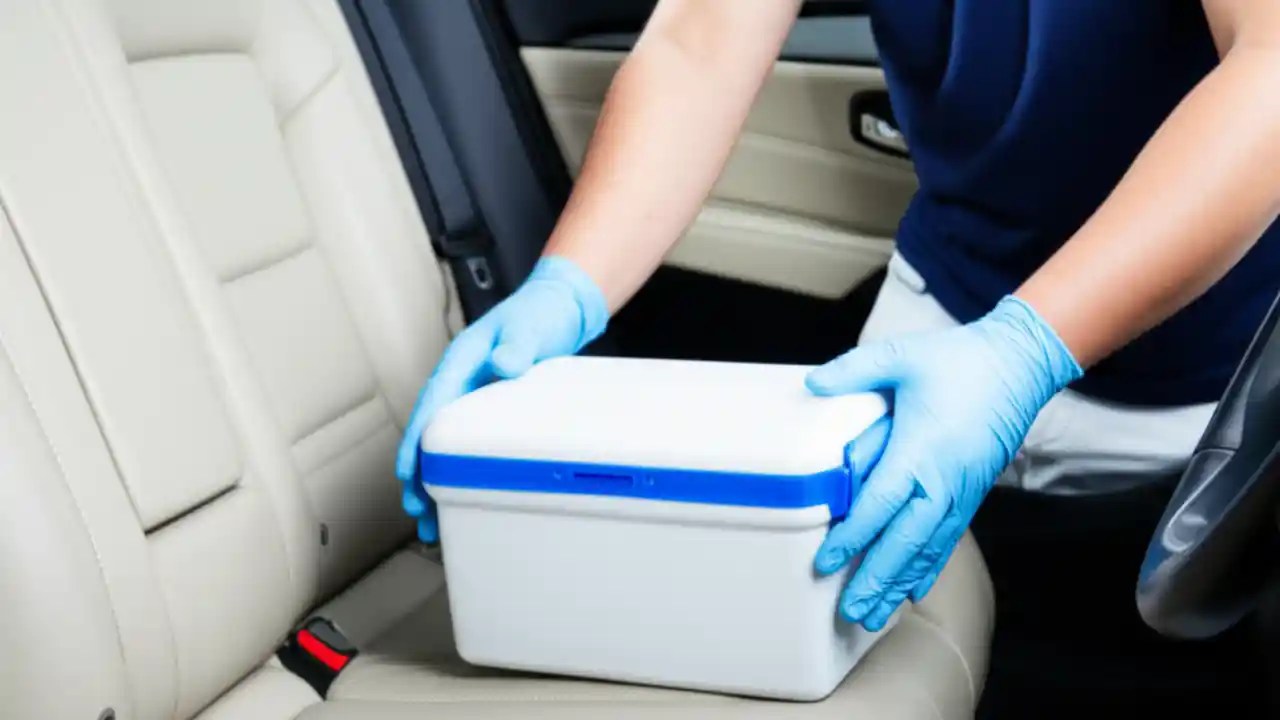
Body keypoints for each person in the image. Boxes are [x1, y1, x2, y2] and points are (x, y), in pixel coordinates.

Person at [396, 1, 1280, 631]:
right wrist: (567, 286)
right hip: (933, 323)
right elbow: (704, 39)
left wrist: (1025, 349)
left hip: (1198, 397)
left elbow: (1271, 67)